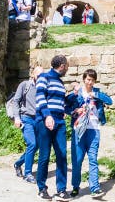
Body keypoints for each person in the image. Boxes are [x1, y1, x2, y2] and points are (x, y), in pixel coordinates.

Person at [66, 69, 112, 199]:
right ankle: (75, 187)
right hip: (79, 130)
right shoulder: (78, 92)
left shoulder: (97, 92)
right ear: (84, 79)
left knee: (93, 160)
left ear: (94, 81)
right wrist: (75, 110)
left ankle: (95, 188)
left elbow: (109, 101)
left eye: (92, 80)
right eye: (87, 79)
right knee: (77, 160)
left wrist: (96, 95)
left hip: (94, 129)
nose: (89, 82)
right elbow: (66, 105)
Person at [35, 55, 70, 200]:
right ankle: (42, 188)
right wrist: (47, 115)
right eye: (67, 66)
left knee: (62, 155)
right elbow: (40, 97)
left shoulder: (61, 83)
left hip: (59, 122)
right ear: (62, 65)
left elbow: (61, 102)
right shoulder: (44, 77)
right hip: (45, 121)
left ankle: (61, 189)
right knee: (44, 156)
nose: (67, 68)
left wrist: (71, 100)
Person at [7, 65, 43, 183]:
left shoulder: (43, 87)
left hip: (38, 120)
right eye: (39, 75)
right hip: (26, 118)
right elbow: (16, 102)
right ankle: (28, 174)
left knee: (36, 145)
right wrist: (17, 118)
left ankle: (18, 164)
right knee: (32, 144)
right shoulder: (25, 85)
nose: (41, 78)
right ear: (33, 74)